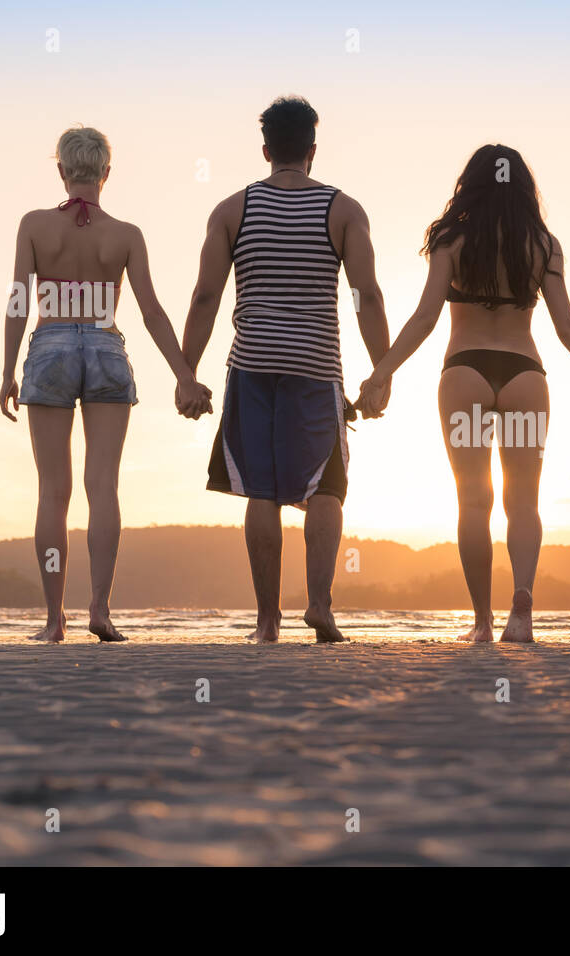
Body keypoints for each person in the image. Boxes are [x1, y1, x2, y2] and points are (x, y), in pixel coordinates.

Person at [355, 145, 570, 643]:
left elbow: (424, 318)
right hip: (525, 374)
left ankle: (483, 621)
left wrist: (381, 372)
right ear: (524, 188)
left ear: (471, 185)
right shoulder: (543, 245)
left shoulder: (451, 238)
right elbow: (567, 326)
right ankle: (522, 608)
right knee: (524, 501)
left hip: (465, 370)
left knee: (472, 502)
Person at [179, 96, 391, 644]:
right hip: (315, 368)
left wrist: (186, 373)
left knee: (262, 492)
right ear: (312, 151)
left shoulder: (233, 210)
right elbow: (367, 295)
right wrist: (381, 370)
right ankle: (319, 605)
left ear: (267, 149)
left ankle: (267, 621)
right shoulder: (342, 210)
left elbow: (205, 297)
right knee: (327, 489)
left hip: (250, 367)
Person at [0, 126, 213, 643]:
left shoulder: (33, 225)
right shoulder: (126, 234)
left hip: (49, 347)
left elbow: (17, 302)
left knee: (53, 492)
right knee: (104, 488)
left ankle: (54, 620)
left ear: (61, 171)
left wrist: (7, 370)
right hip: (104, 346)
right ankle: (100, 608)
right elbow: (152, 311)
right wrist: (185, 375)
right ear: (106, 174)